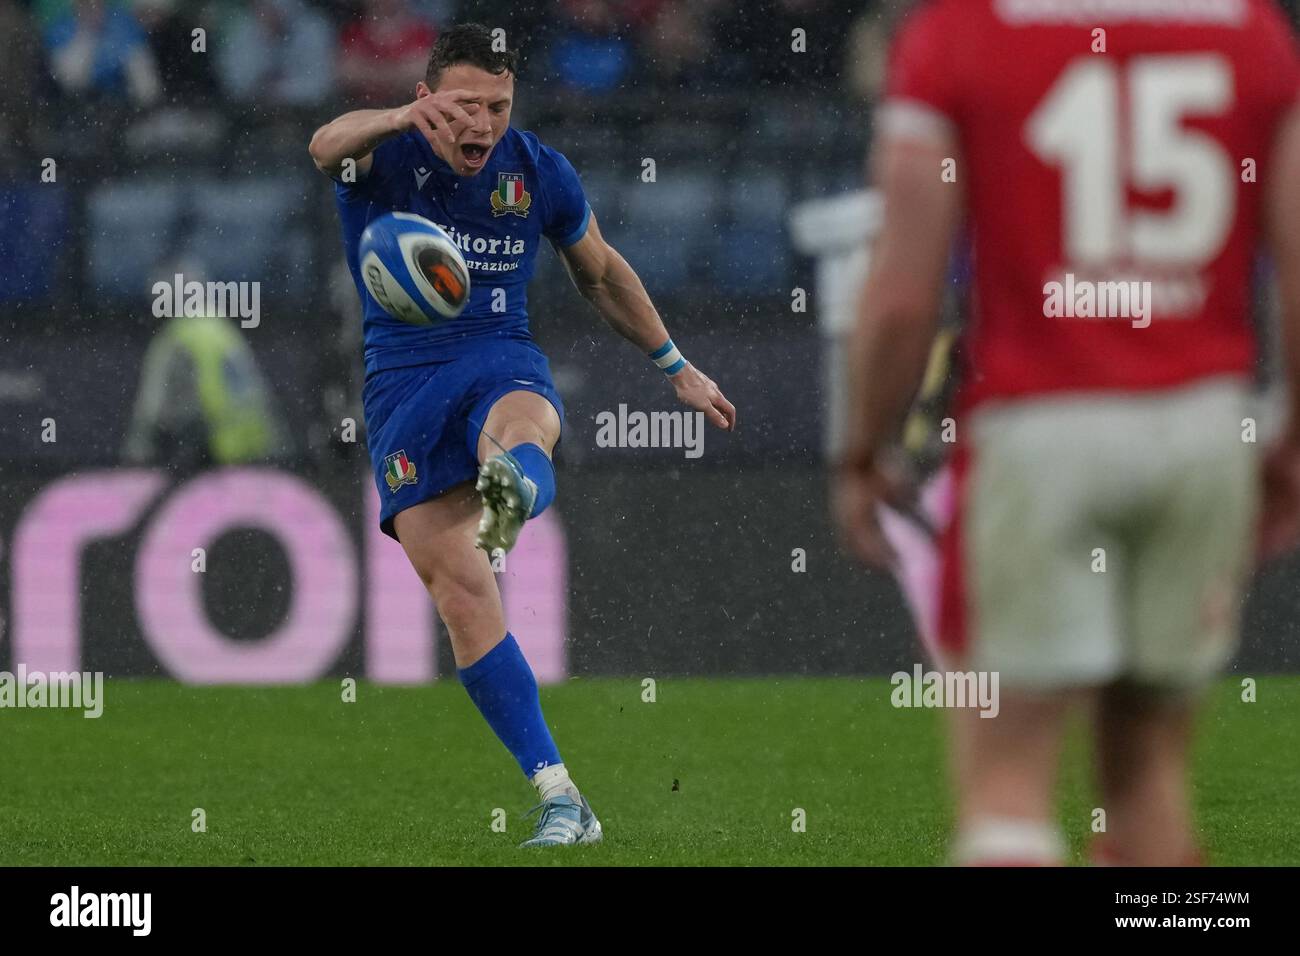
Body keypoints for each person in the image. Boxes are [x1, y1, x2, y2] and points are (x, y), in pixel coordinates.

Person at [834, 0, 1300, 866]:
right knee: (1150, 781)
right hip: (1204, 420)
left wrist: (864, 450)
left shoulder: (957, 33)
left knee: (1007, 786)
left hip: (1036, 425)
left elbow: (903, 296)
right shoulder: (1253, 32)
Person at [309, 23, 736, 847]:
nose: (483, 125)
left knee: (519, 421)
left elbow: (600, 272)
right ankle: (562, 797)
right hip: (401, 382)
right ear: (430, 96)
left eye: (499, 106)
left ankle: (512, 491)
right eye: (467, 106)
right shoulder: (384, 154)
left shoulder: (537, 171)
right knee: (464, 598)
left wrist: (675, 365)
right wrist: (399, 117)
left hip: (498, 352)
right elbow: (324, 145)